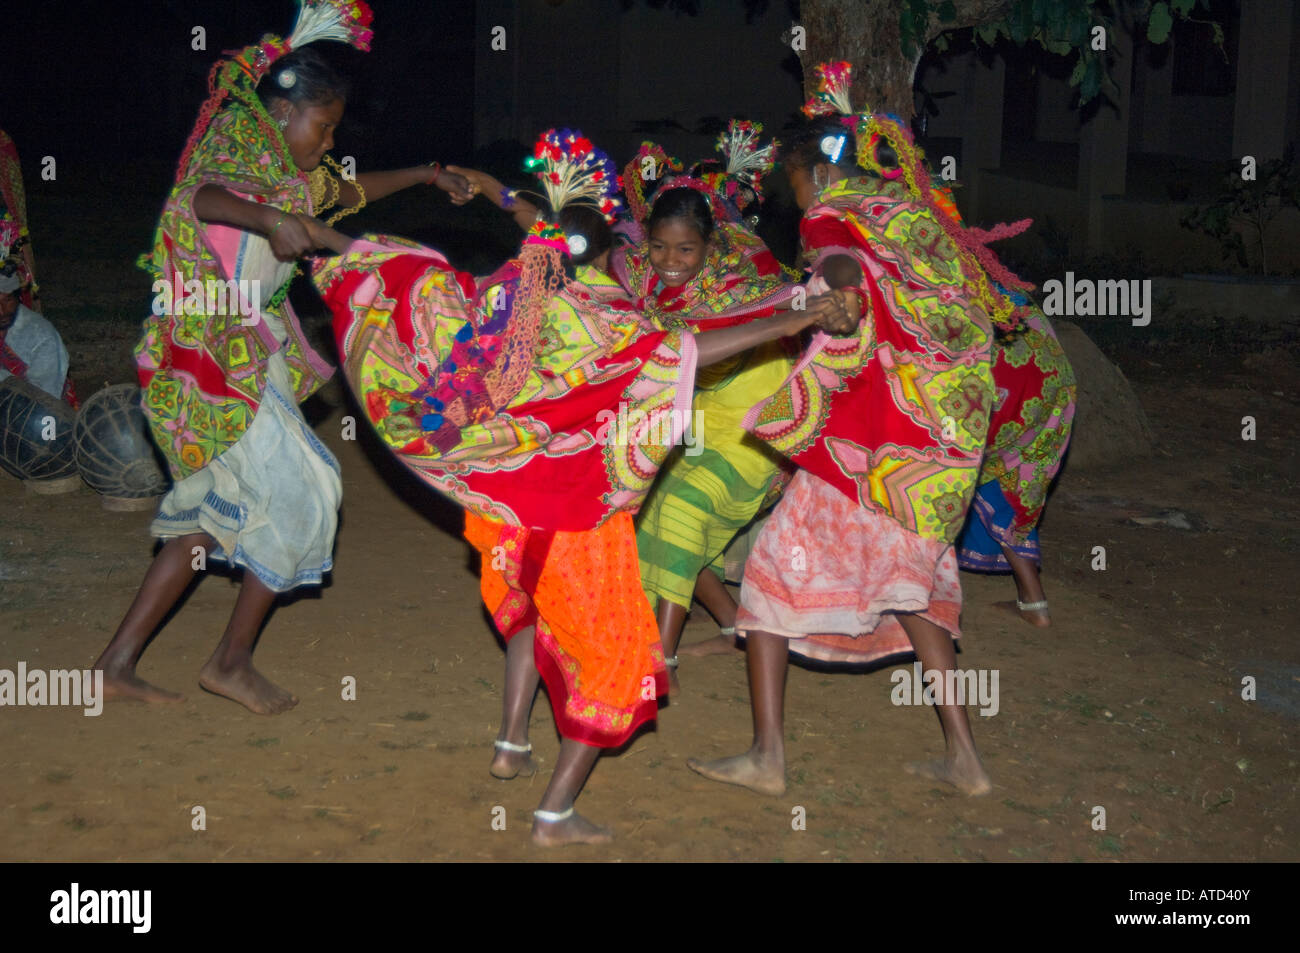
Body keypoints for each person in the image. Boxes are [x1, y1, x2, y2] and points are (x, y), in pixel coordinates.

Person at [315, 128, 856, 844]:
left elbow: (430, 278)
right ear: (611, 253)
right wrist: (810, 313)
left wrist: (326, 237)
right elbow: (689, 350)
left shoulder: (509, 298)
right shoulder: (612, 320)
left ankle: (512, 742)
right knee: (617, 662)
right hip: (576, 518)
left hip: (505, 510)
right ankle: (554, 812)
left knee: (534, 617)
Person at [94, 2, 472, 714]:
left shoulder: (285, 176)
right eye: (323, 125)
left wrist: (424, 177)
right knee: (308, 487)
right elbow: (198, 200)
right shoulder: (232, 163)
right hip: (212, 362)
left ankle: (115, 662)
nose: (329, 142)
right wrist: (271, 220)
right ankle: (230, 660)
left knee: (207, 513)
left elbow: (346, 195)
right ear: (280, 112)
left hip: (236, 359)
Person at [688, 64, 1015, 799]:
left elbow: (840, 260)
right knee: (916, 591)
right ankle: (966, 757)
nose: (790, 200)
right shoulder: (910, 215)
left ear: (813, 172)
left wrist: (837, 291)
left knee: (769, 577)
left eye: (791, 183)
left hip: (866, 448)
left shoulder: (834, 213)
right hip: (929, 453)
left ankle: (767, 756)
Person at [612, 167, 799, 682]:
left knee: (681, 511)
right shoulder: (645, 281)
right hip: (697, 423)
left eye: (686, 250)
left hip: (755, 430)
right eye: (659, 246)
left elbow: (798, 306)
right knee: (646, 509)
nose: (670, 261)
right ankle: (731, 625)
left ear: (710, 246)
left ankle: (660, 656)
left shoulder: (744, 292)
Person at [0, 258, 74, 404]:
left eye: (8, 300)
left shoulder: (41, 336)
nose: (2, 311)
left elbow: (42, 399)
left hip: (29, 417)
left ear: (18, 297)